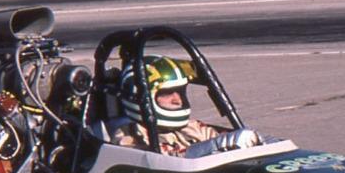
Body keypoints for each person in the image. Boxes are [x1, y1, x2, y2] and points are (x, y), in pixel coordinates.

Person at [104, 55, 258, 156]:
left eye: (180, 92)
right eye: (167, 93)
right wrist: (218, 146)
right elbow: (159, 161)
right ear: (140, 98)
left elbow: (230, 139)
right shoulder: (128, 135)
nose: (177, 100)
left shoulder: (192, 127)